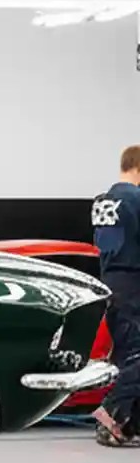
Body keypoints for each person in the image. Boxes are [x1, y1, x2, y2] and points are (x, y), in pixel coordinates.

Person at [92, 146, 140, 446]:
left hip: (109, 281)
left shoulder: (102, 201)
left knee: (128, 356)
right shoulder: (136, 199)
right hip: (133, 283)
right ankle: (110, 413)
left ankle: (131, 424)